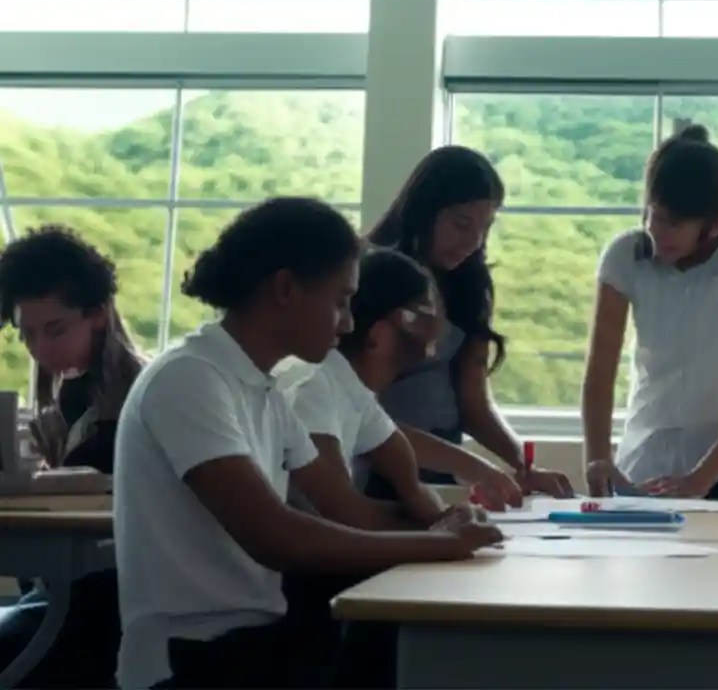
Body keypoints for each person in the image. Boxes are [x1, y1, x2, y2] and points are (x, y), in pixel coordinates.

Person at [112, 197, 502, 689]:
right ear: (285, 289)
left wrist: (445, 525)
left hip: (253, 642)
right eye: (340, 301)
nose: (349, 322)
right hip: (191, 657)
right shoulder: (190, 379)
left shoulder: (263, 387)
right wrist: (438, 543)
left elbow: (344, 511)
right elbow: (275, 536)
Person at [278, 248, 527, 687]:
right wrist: (440, 532)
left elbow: (399, 454)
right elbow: (342, 511)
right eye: (425, 315)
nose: (439, 331)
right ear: (380, 333)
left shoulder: (347, 385)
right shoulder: (314, 385)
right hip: (295, 593)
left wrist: (468, 492)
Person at [581, 122, 718, 500]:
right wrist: (596, 459)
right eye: (655, 216)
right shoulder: (625, 255)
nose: (659, 232)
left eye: (674, 224)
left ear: (714, 224)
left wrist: (700, 479)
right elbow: (599, 374)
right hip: (642, 464)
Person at [367, 146, 573, 498]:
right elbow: (358, 413)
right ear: (423, 210)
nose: (473, 241)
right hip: (373, 460)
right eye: (462, 224)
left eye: (485, 227)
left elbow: (473, 402)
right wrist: (478, 469)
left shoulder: (470, 284)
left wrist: (524, 468)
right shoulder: (368, 271)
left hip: (442, 461)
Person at [0, 226, 145, 688]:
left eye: (55, 330)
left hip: (111, 610)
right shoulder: (68, 395)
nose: (40, 350)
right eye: (27, 334)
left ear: (98, 314)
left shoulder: (139, 399)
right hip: (62, 593)